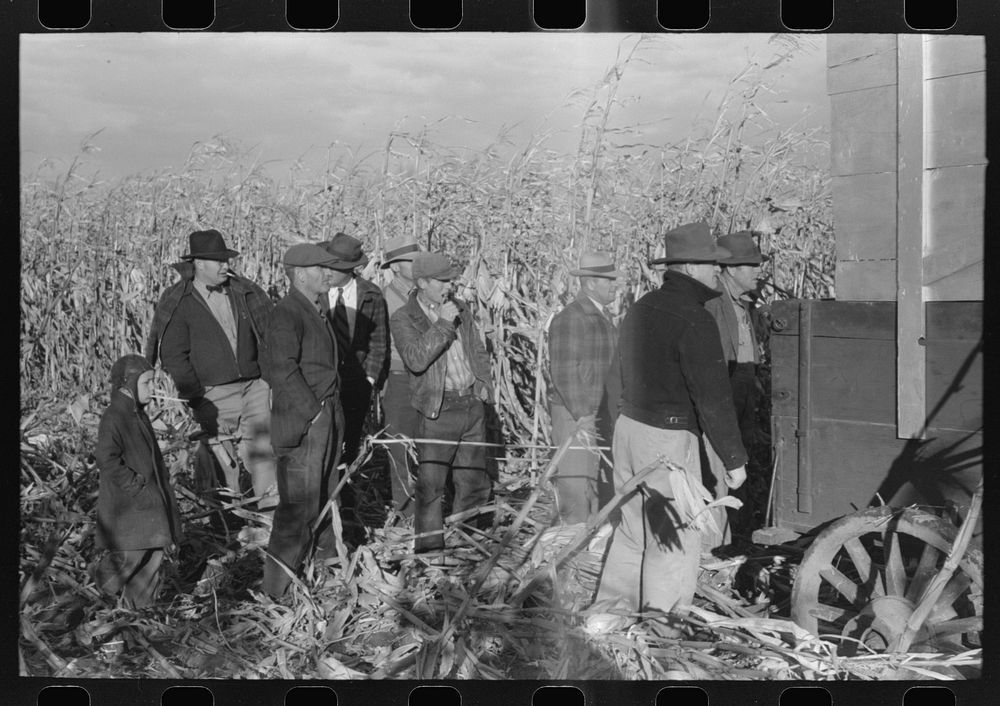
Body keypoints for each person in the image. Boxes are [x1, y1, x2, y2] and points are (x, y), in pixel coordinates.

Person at [591, 221, 747, 628]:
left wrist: (622, 424)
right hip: (668, 439)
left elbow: (615, 377)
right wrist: (734, 459)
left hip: (629, 428)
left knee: (632, 530)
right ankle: (663, 628)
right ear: (691, 267)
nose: (718, 271)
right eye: (712, 264)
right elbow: (712, 397)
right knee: (674, 534)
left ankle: (607, 619)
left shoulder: (641, 307)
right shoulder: (696, 319)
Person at [145, 229, 277, 510]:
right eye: (218, 261)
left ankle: (269, 518)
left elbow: (267, 336)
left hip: (254, 388)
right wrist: (197, 395)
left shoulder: (243, 291)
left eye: (226, 260)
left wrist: (265, 380)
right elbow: (173, 355)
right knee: (221, 459)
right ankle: (225, 521)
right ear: (198, 263)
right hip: (213, 394)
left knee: (264, 453)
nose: (225, 265)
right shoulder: (180, 300)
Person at [389, 251, 494, 554]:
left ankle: (468, 543)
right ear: (422, 282)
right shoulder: (404, 317)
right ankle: (429, 550)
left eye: (450, 281)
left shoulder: (461, 308)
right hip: (438, 408)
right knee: (431, 485)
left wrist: (484, 384)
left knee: (472, 480)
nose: (449, 287)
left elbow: (477, 349)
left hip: (471, 404)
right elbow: (416, 359)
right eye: (442, 281)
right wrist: (444, 323)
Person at [261, 243, 345, 598]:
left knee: (326, 496)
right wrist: (313, 412)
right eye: (319, 269)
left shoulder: (316, 308)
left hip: (325, 415)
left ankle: (326, 576)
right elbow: (280, 368)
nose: (328, 274)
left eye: (328, 268)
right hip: (306, 423)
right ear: (299, 275)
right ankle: (275, 591)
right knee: (298, 508)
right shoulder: (287, 312)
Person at [91, 355, 182, 608]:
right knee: (131, 554)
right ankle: (94, 591)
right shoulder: (114, 417)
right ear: (127, 384)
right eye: (146, 383)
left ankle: (140, 609)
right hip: (130, 503)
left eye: (153, 382)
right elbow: (106, 459)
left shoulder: (138, 415)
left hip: (149, 500)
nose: (152, 389)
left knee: (154, 552)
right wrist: (136, 486)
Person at [702, 230, 768, 548]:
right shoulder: (713, 303)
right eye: (751, 265)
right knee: (719, 467)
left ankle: (734, 534)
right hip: (722, 398)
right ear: (729, 269)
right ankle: (714, 542)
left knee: (739, 464)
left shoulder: (743, 305)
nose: (758, 271)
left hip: (742, 395)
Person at [547, 252, 622, 525]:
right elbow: (564, 373)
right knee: (576, 489)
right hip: (576, 416)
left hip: (596, 415)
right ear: (589, 283)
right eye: (608, 280)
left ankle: (587, 544)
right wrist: (583, 415)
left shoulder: (601, 317)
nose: (615, 285)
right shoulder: (571, 318)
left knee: (593, 489)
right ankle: (569, 545)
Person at [319, 233, 390, 468]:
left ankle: (347, 485)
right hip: (323, 382)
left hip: (356, 382)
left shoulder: (371, 295)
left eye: (335, 267)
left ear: (350, 268)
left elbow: (378, 341)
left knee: (350, 440)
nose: (328, 272)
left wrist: (369, 378)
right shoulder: (316, 292)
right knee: (324, 441)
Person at [380, 235, 423, 517]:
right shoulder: (383, 299)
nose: (418, 266)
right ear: (395, 267)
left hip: (428, 380)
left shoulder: (427, 295)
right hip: (399, 379)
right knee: (400, 450)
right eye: (411, 261)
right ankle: (406, 514)